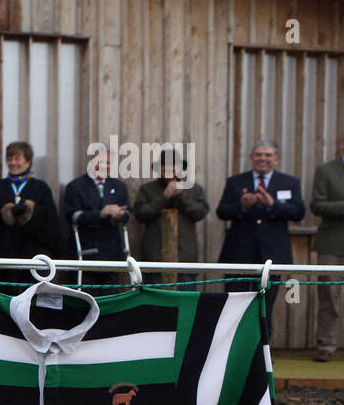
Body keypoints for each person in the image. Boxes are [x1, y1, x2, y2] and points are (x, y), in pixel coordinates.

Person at [217, 140, 305, 311]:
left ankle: (263, 339)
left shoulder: (289, 182)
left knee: (264, 307)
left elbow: (299, 213)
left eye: (268, 155)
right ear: (251, 158)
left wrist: (273, 205)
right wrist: (242, 206)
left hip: (271, 255)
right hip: (238, 255)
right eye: (258, 154)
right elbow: (221, 212)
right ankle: (235, 339)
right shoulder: (235, 182)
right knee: (234, 306)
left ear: (277, 159)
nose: (262, 158)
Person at [0, 141, 62, 289]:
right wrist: (5, 213)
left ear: (28, 161)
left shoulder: (41, 188)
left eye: (17, 159)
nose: (12, 163)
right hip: (3, 260)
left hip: (33, 260)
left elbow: (51, 222)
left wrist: (31, 212)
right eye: (10, 159)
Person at [132, 149, 210, 288]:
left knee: (185, 302)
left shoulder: (194, 189)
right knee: (157, 304)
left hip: (185, 259)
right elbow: (141, 214)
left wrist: (179, 196)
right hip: (155, 260)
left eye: (174, 165)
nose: (170, 169)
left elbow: (200, 212)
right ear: (160, 169)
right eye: (165, 165)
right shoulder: (147, 189)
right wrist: (165, 197)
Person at [63, 149, 131, 289]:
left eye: (107, 163)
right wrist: (101, 214)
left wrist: (119, 214)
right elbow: (71, 216)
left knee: (110, 297)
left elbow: (128, 213)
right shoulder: (75, 186)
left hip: (111, 252)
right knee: (86, 296)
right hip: (86, 251)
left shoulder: (119, 186)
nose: (103, 166)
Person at [309, 135, 344, 361]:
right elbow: (317, 205)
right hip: (333, 243)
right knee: (329, 296)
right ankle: (326, 346)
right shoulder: (326, 171)